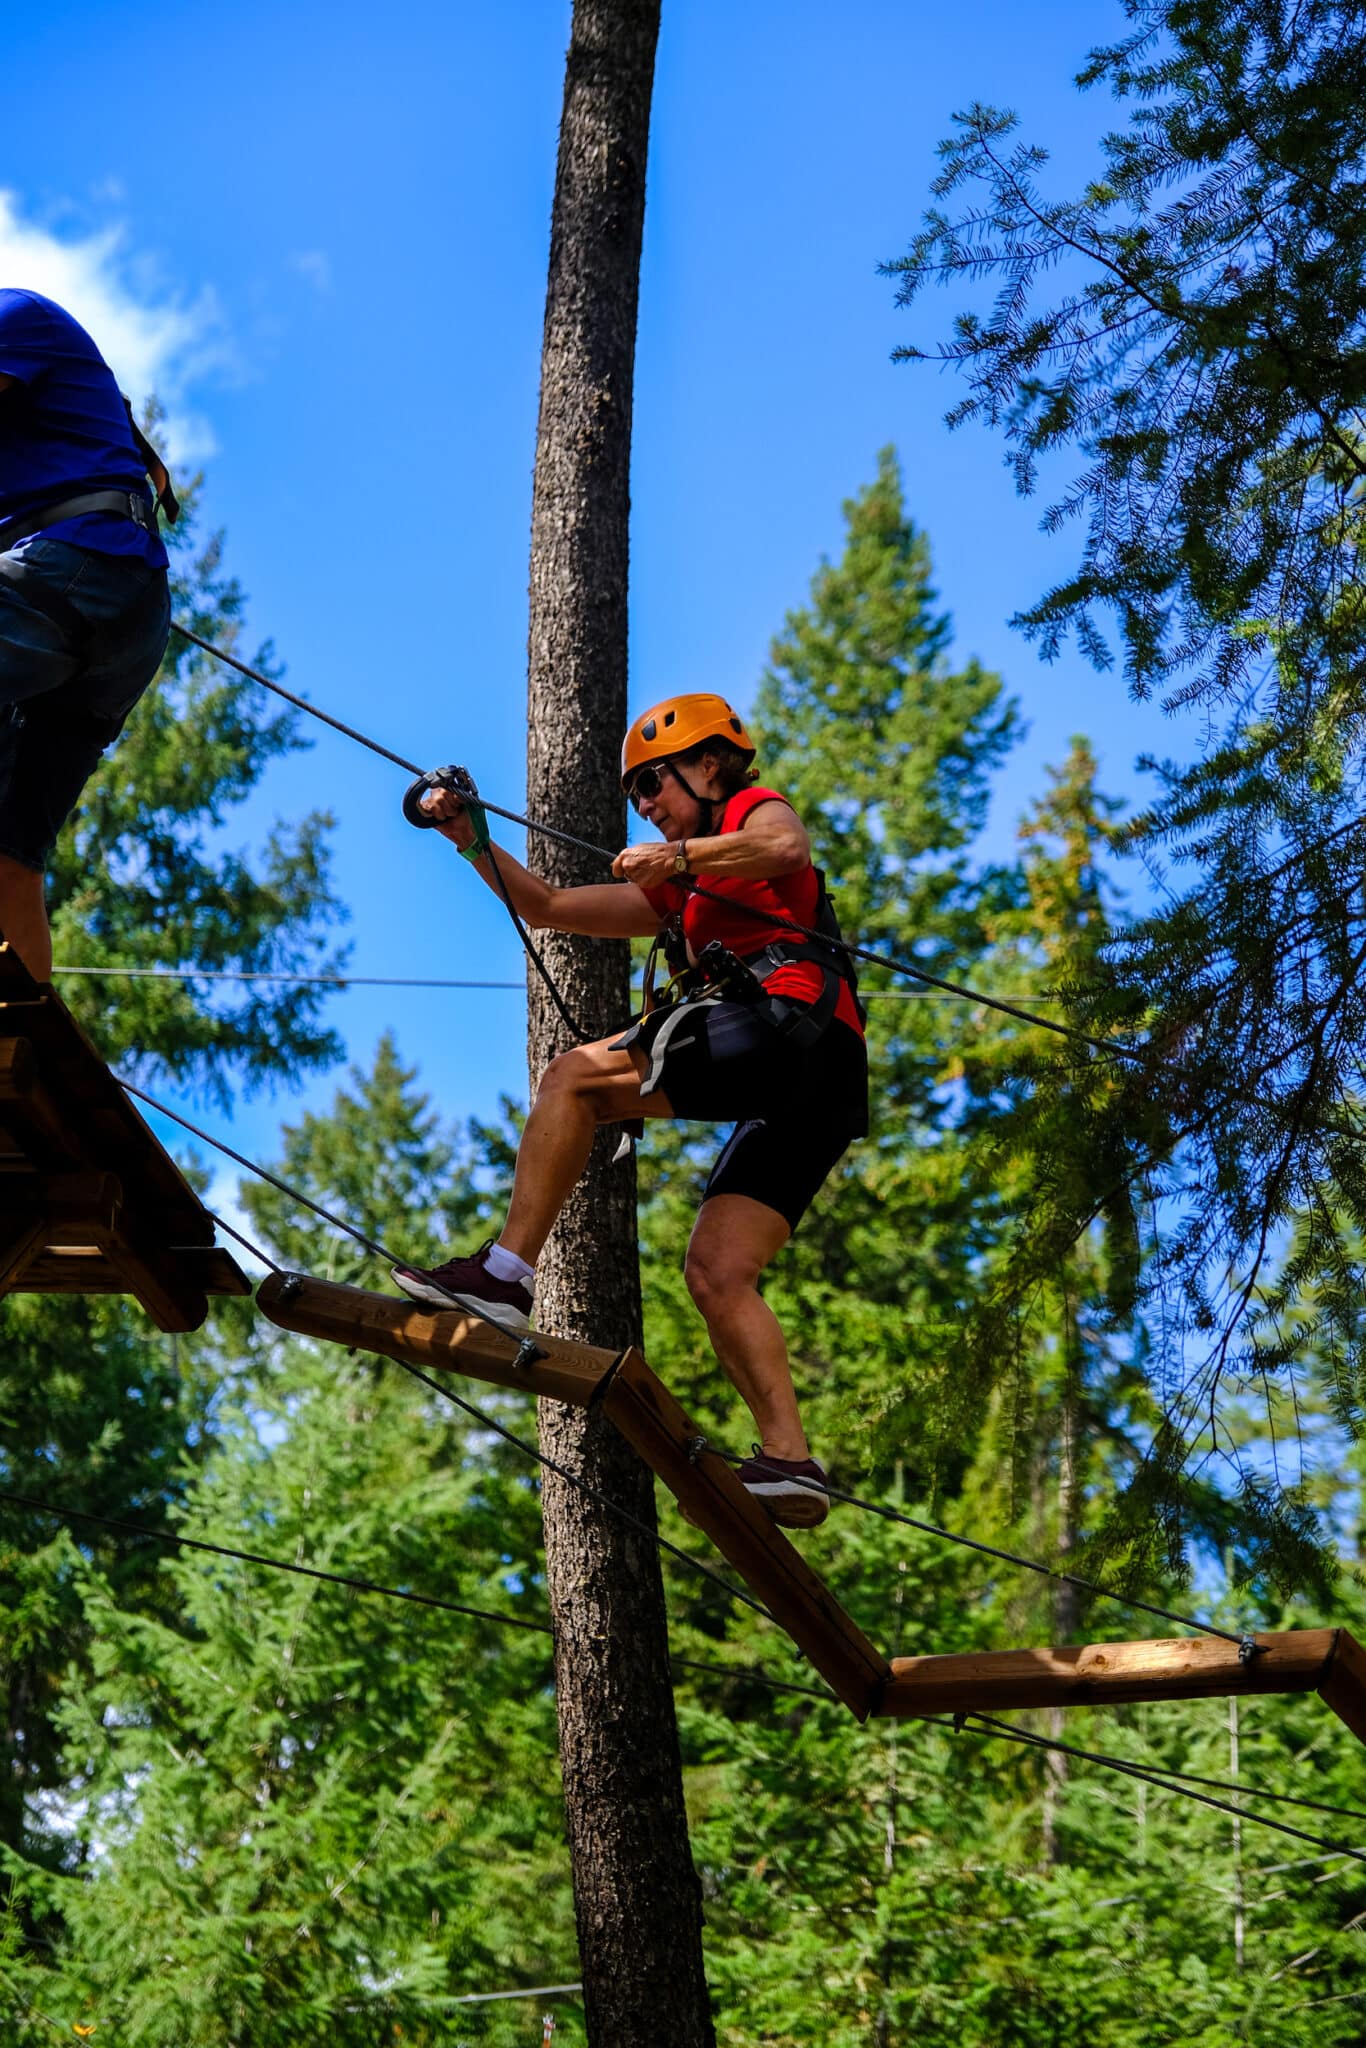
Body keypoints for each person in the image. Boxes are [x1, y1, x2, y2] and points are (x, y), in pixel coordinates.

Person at [391, 693, 869, 1529]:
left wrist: (676, 860)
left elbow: (785, 843)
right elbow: (547, 908)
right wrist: (470, 840)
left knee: (572, 1078)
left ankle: (505, 1278)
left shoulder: (749, 817)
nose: (645, 807)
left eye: (654, 784)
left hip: (790, 1024)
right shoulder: (676, 893)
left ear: (710, 766)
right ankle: (792, 1463)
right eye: (636, 796)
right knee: (718, 1271)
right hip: (811, 1083)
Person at [0, 286, 177, 983]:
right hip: (121, 615)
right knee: (11, 857)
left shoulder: (16, 315)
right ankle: (21, 1049)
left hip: (79, 570)